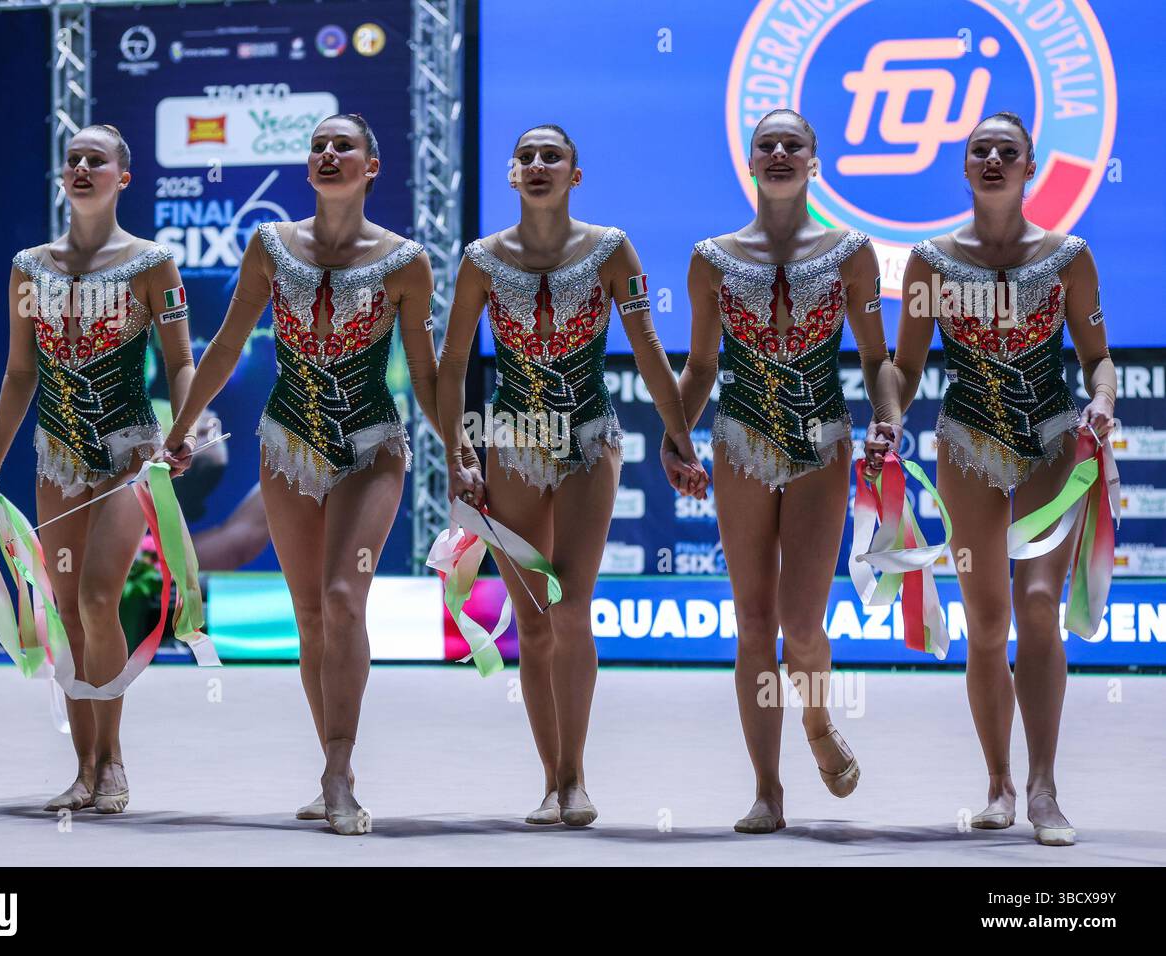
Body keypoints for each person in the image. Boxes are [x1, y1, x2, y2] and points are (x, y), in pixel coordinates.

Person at [162, 113, 477, 835]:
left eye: (344, 146)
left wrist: (458, 449)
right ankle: (331, 761)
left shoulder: (406, 260)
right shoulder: (271, 246)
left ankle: (339, 771)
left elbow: (425, 372)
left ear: (372, 166)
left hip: (371, 447)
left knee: (342, 597)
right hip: (287, 447)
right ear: (309, 168)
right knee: (309, 615)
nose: (328, 154)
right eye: (318, 147)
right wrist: (181, 432)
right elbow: (224, 348)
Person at [437, 123, 707, 827]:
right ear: (511, 174)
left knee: (571, 606)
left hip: (589, 437)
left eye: (550, 156)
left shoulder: (612, 248)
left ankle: (577, 776)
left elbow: (648, 345)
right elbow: (454, 364)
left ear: (574, 176)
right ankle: (549, 780)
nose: (536, 165)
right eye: (524, 157)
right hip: (514, 438)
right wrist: (457, 454)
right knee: (531, 619)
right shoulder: (482, 258)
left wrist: (681, 437)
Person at [671, 109, 901, 833]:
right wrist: (676, 435)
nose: (777, 152)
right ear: (749, 163)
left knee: (802, 625)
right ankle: (767, 790)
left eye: (791, 144)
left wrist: (887, 420)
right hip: (740, 440)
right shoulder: (712, 256)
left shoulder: (849, 251)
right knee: (753, 623)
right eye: (765, 144)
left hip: (820, 442)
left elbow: (874, 358)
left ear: (813, 162)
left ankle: (816, 717)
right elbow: (703, 364)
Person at [890, 112, 1116, 846]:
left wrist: (1105, 400)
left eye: (1006, 151)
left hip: (1051, 440)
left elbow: (1097, 359)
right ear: (964, 168)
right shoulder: (928, 260)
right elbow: (908, 366)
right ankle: (997, 784)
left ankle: (1046, 787)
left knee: (1040, 604)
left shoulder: (1068, 256)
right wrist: (889, 413)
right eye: (979, 151)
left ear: (1030, 167)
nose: (992, 158)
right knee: (987, 623)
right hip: (965, 447)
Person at [0, 124, 196, 814]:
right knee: (63, 609)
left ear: (123, 178)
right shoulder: (28, 266)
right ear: (62, 177)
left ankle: (115, 757)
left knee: (99, 598)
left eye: (97, 160)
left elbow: (182, 361)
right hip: (57, 454)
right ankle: (83, 765)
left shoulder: (152, 262)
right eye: (73, 160)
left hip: (128, 453)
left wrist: (182, 432)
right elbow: (18, 373)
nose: (82, 168)